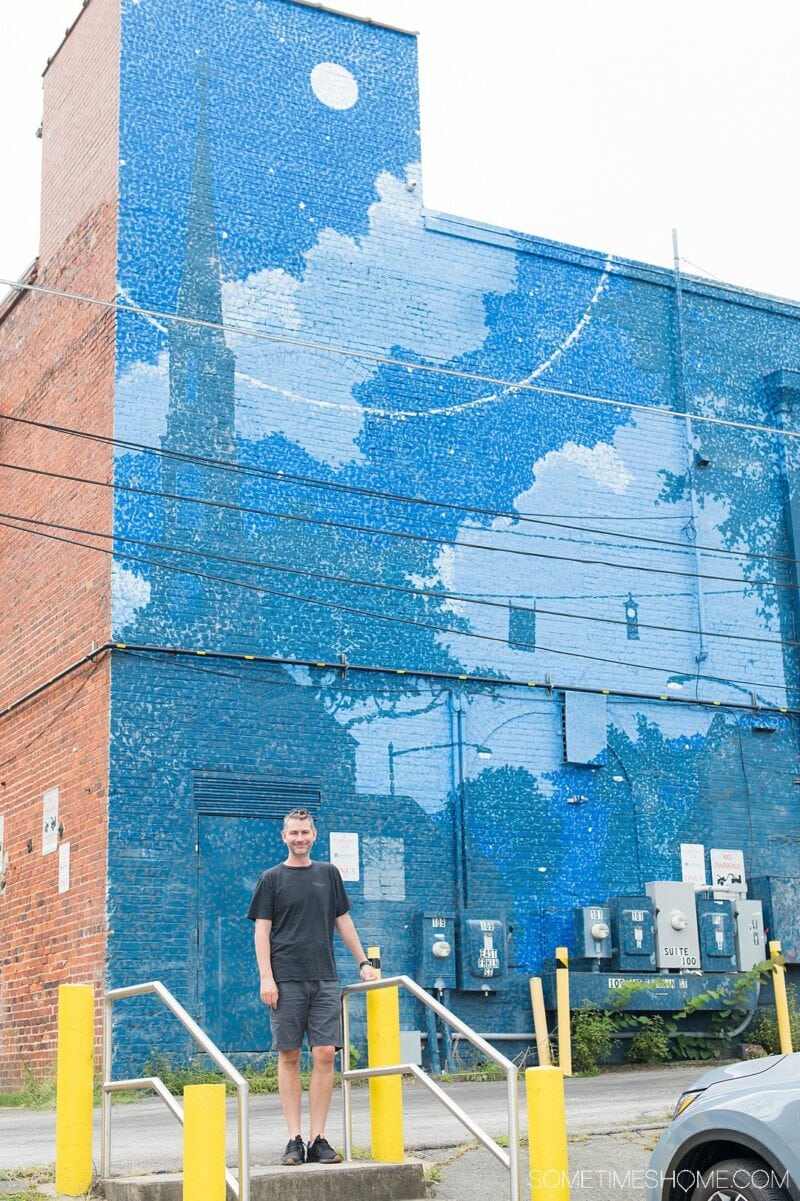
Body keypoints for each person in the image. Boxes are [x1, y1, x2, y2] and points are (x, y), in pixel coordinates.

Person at [248, 807, 378, 1166]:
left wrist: (363, 962)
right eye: (294, 833)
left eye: (305, 832)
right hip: (285, 979)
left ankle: (318, 1138)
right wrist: (266, 977)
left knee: (324, 1054)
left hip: (324, 978)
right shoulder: (271, 878)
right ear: (284, 837)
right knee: (289, 1056)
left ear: (314, 835)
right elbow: (262, 931)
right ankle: (294, 1139)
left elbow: (343, 920)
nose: (300, 838)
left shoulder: (328, 875)